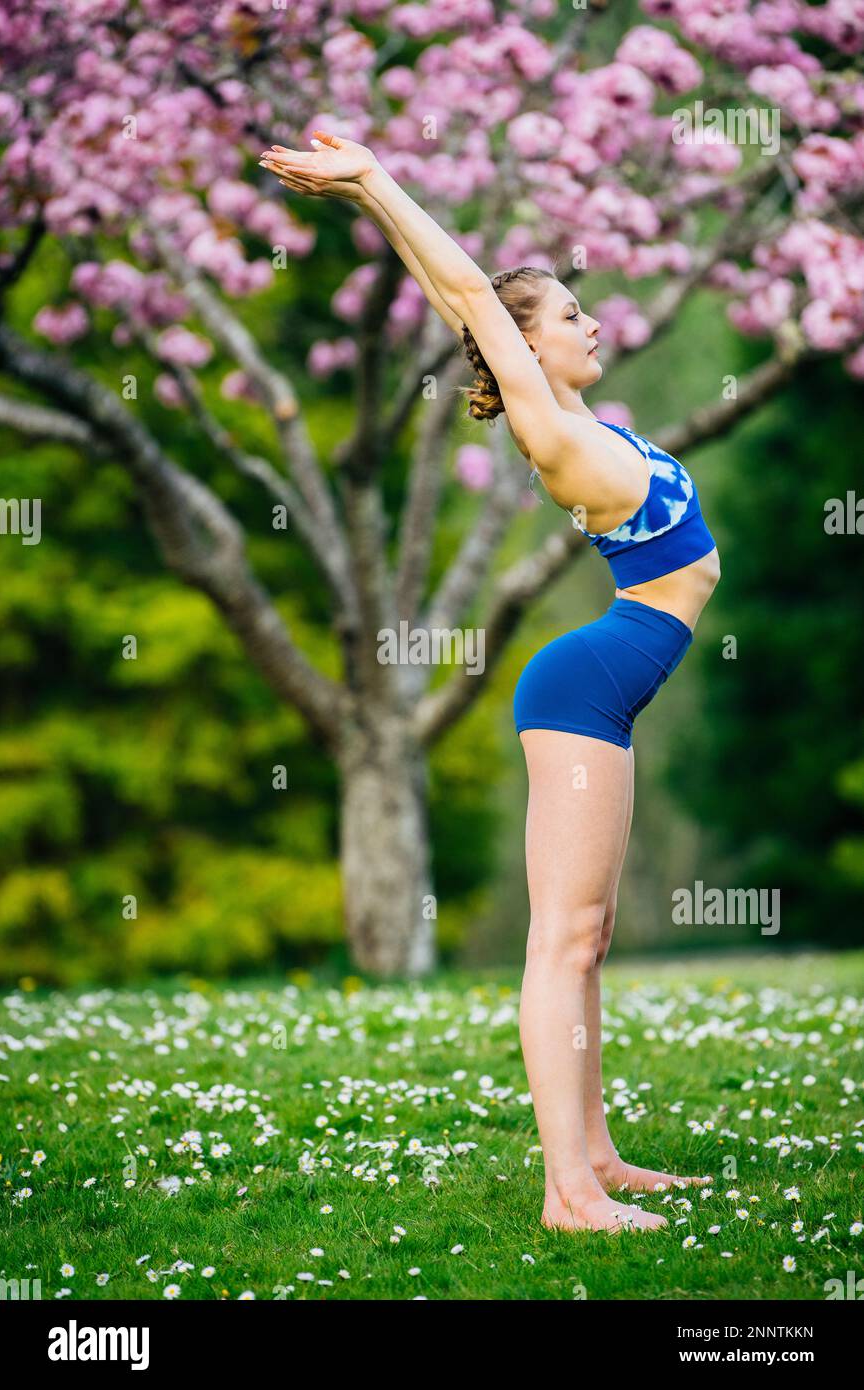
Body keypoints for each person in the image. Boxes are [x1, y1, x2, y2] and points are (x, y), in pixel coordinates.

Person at [260, 132, 720, 1233]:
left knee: (587, 934)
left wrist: (378, 209)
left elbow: (457, 296)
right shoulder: (544, 423)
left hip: (603, 680)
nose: (594, 320)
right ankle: (566, 1193)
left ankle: (597, 1160)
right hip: (584, 686)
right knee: (560, 938)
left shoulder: (574, 419)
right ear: (523, 347)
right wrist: (375, 178)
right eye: (567, 314)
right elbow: (468, 291)